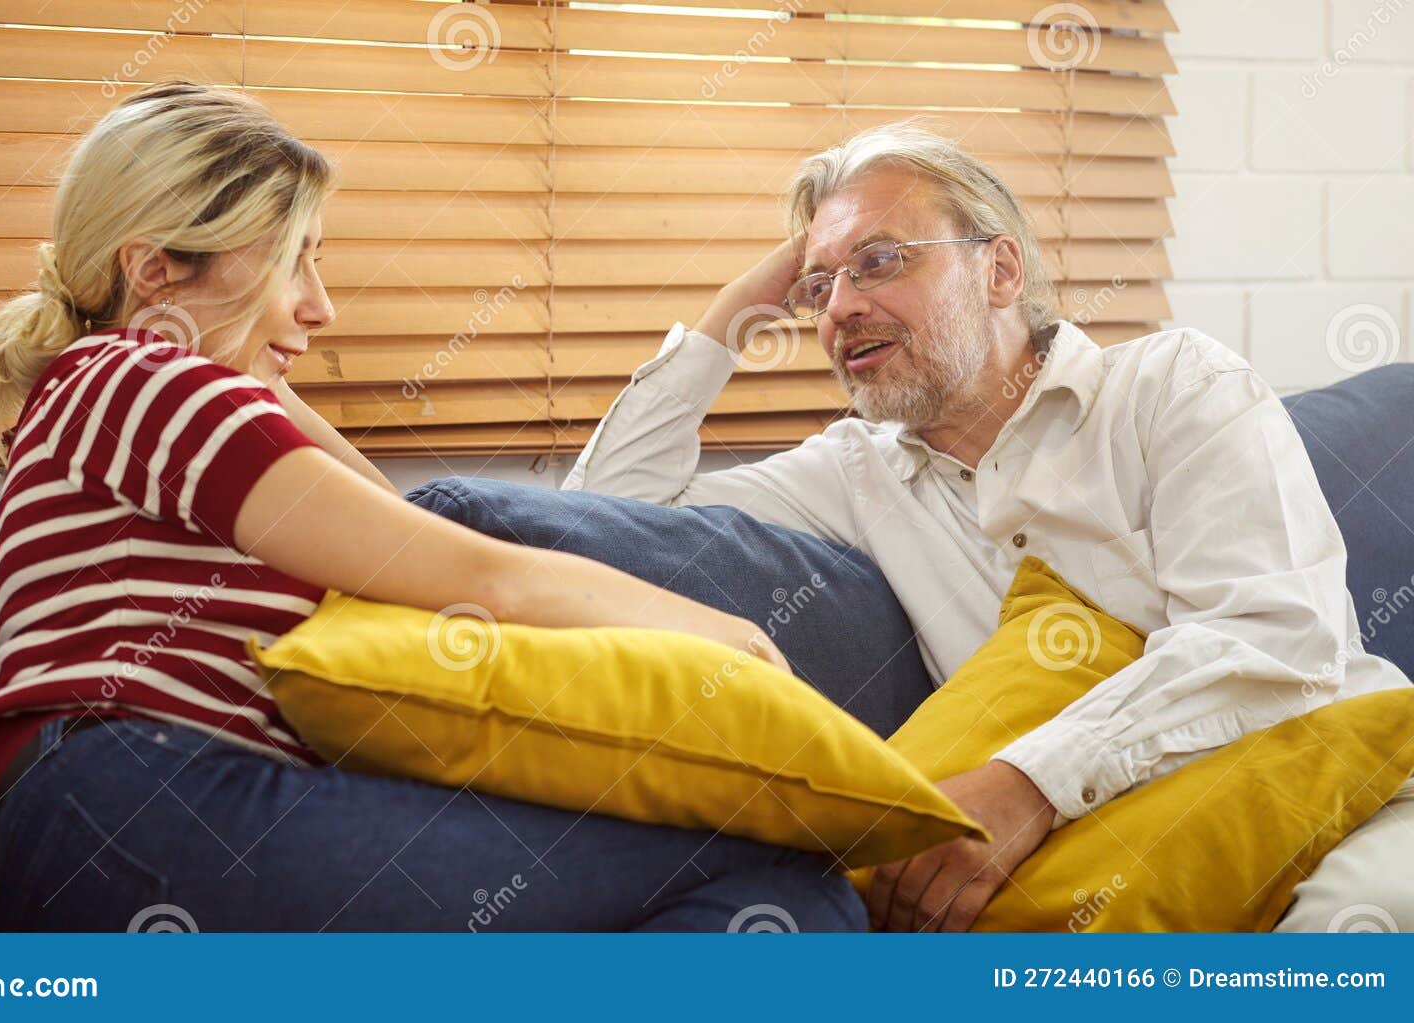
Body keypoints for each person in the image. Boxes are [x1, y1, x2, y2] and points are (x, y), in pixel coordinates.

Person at [0, 81, 866, 933]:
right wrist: (726, 633)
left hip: (127, 812)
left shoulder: (123, 389)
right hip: (143, 796)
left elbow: (399, 534)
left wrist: (263, 367)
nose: (321, 307)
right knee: (773, 863)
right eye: (291, 262)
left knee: (778, 885)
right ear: (154, 269)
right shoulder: (143, 377)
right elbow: (477, 577)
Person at [563, 121, 1414, 933]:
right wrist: (735, 310)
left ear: (999, 270)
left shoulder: (1172, 386)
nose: (838, 309)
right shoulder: (854, 473)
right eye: (818, 287)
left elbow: (1274, 640)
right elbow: (599, 517)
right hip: (1099, 858)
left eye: (879, 261)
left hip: (1339, 785)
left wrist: (1029, 783)